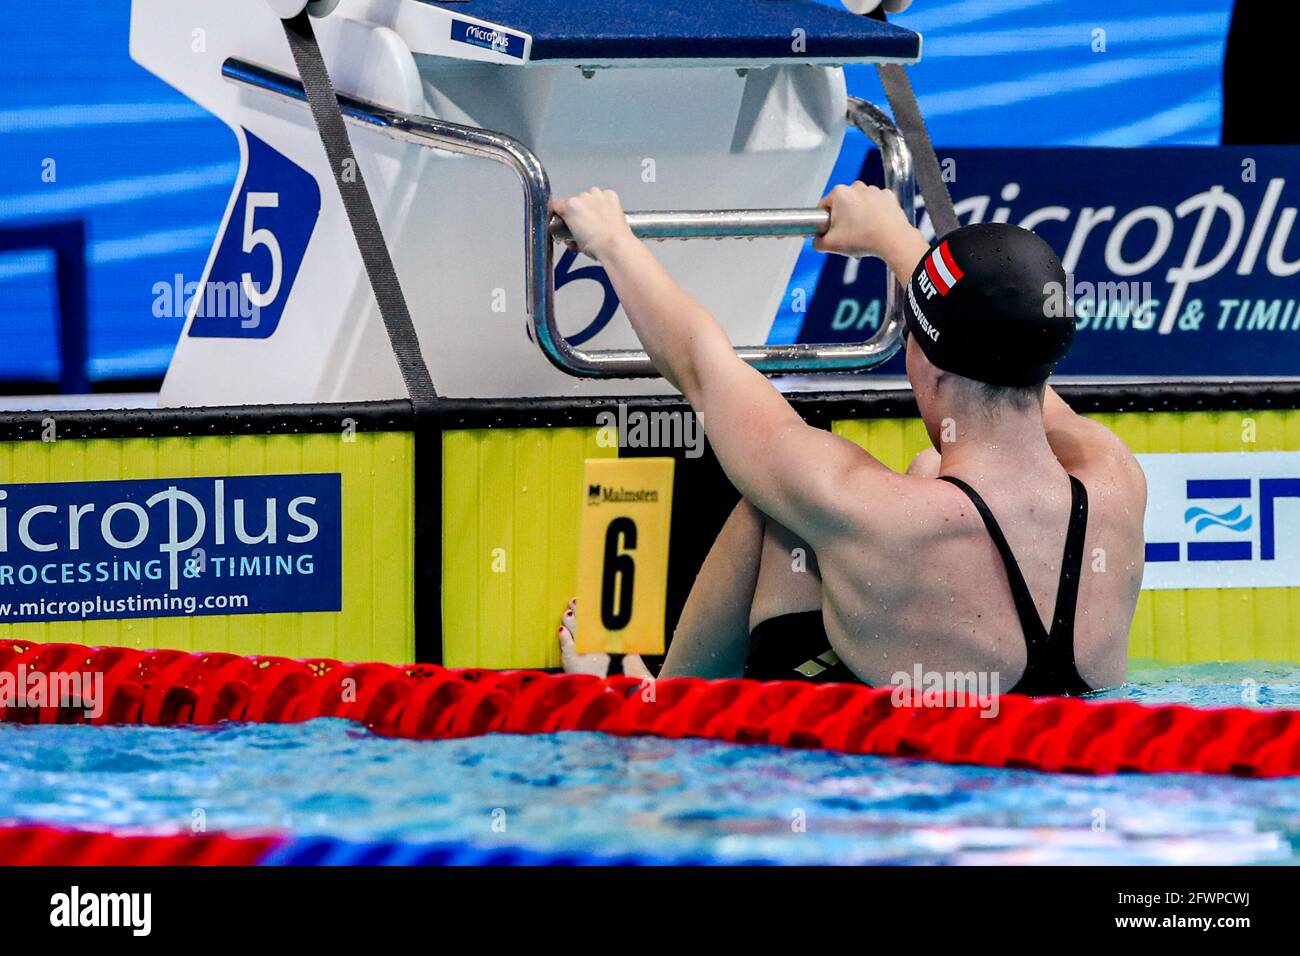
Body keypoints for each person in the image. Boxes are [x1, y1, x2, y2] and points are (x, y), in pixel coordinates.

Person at [554, 182, 1147, 696]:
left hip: (894, 772)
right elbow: (1010, 360)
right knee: (926, 466)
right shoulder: (1117, 478)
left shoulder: (860, 508)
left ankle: (656, 712)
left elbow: (702, 367)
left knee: (776, 512)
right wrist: (894, 237)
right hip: (1071, 756)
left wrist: (613, 241)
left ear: (924, 361)